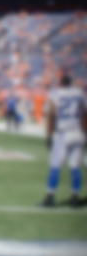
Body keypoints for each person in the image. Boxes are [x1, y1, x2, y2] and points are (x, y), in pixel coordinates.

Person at [41, 74, 86, 208]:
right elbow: (84, 115)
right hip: (78, 132)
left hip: (63, 133)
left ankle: (50, 196)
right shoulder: (79, 94)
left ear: (61, 83)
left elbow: (51, 115)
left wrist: (48, 136)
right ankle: (74, 197)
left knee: (55, 165)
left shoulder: (56, 94)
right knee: (75, 167)